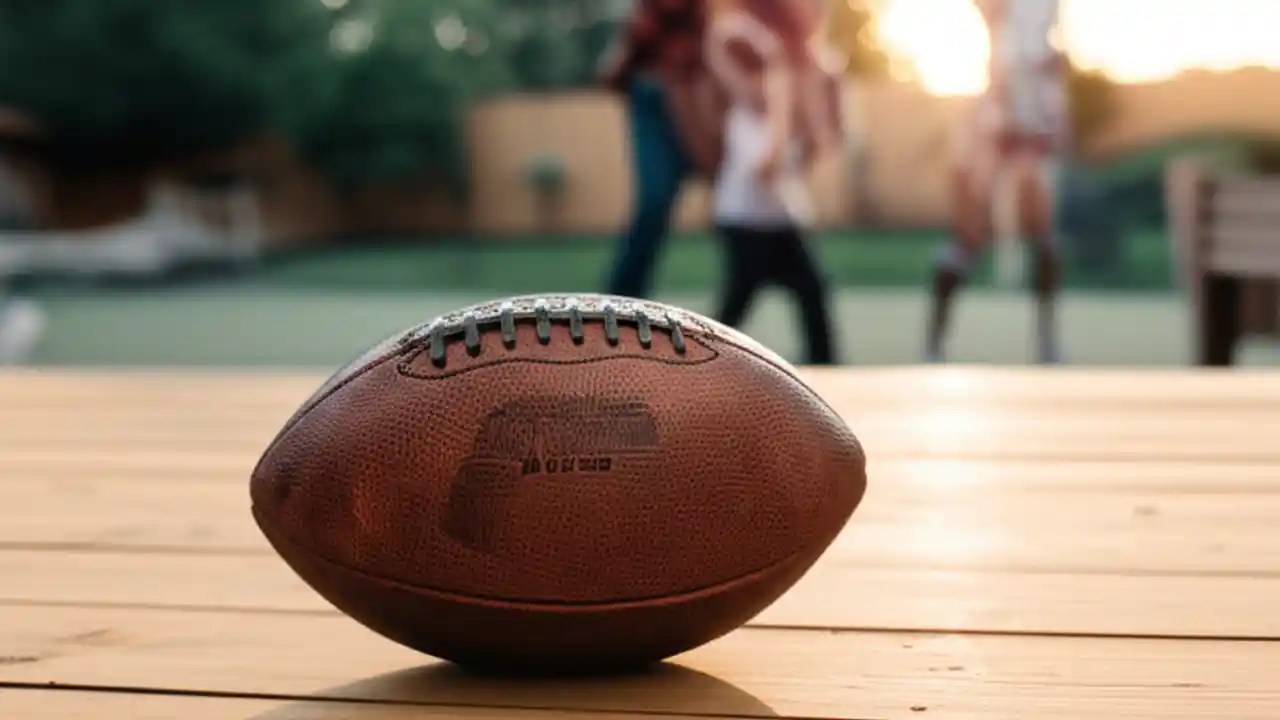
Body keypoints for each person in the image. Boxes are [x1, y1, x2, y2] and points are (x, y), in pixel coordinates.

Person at [925, 0, 1068, 364]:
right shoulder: (1006, 40)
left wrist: (1051, 121)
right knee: (968, 238)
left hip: (1031, 132)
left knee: (1044, 239)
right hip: (996, 130)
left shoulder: (1046, 38)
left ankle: (1047, 342)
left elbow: (1048, 68)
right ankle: (934, 342)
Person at [704, 0, 840, 365]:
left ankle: (826, 370)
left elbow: (810, 155)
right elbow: (767, 167)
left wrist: (809, 109)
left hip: (780, 221)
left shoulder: (784, 116)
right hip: (745, 224)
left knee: (813, 295)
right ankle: (701, 366)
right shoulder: (744, 120)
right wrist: (781, 100)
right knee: (734, 308)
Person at [601, 0, 723, 300]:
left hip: (703, 103)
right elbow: (611, 76)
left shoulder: (712, 17)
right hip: (656, 105)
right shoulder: (645, 21)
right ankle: (622, 299)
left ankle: (743, 291)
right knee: (654, 206)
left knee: (733, 210)